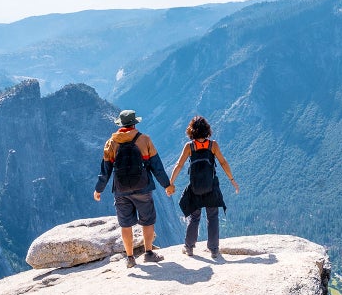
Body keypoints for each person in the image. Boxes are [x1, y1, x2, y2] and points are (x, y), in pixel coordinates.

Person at [94, 109, 175, 268]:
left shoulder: (111, 143)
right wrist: (167, 185)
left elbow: (105, 171)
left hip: (121, 191)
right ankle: (149, 253)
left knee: (125, 224)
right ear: (134, 123)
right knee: (148, 221)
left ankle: (130, 258)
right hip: (143, 188)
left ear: (121, 124)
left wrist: (98, 189)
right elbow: (157, 167)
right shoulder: (144, 140)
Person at [168, 115, 239, 260]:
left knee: (194, 218)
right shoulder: (213, 145)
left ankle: (189, 247)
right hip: (211, 187)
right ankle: (213, 250)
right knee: (212, 217)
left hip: (195, 188)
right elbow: (223, 162)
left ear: (192, 131)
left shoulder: (190, 146)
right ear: (207, 130)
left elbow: (179, 165)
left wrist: (171, 183)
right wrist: (232, 180)